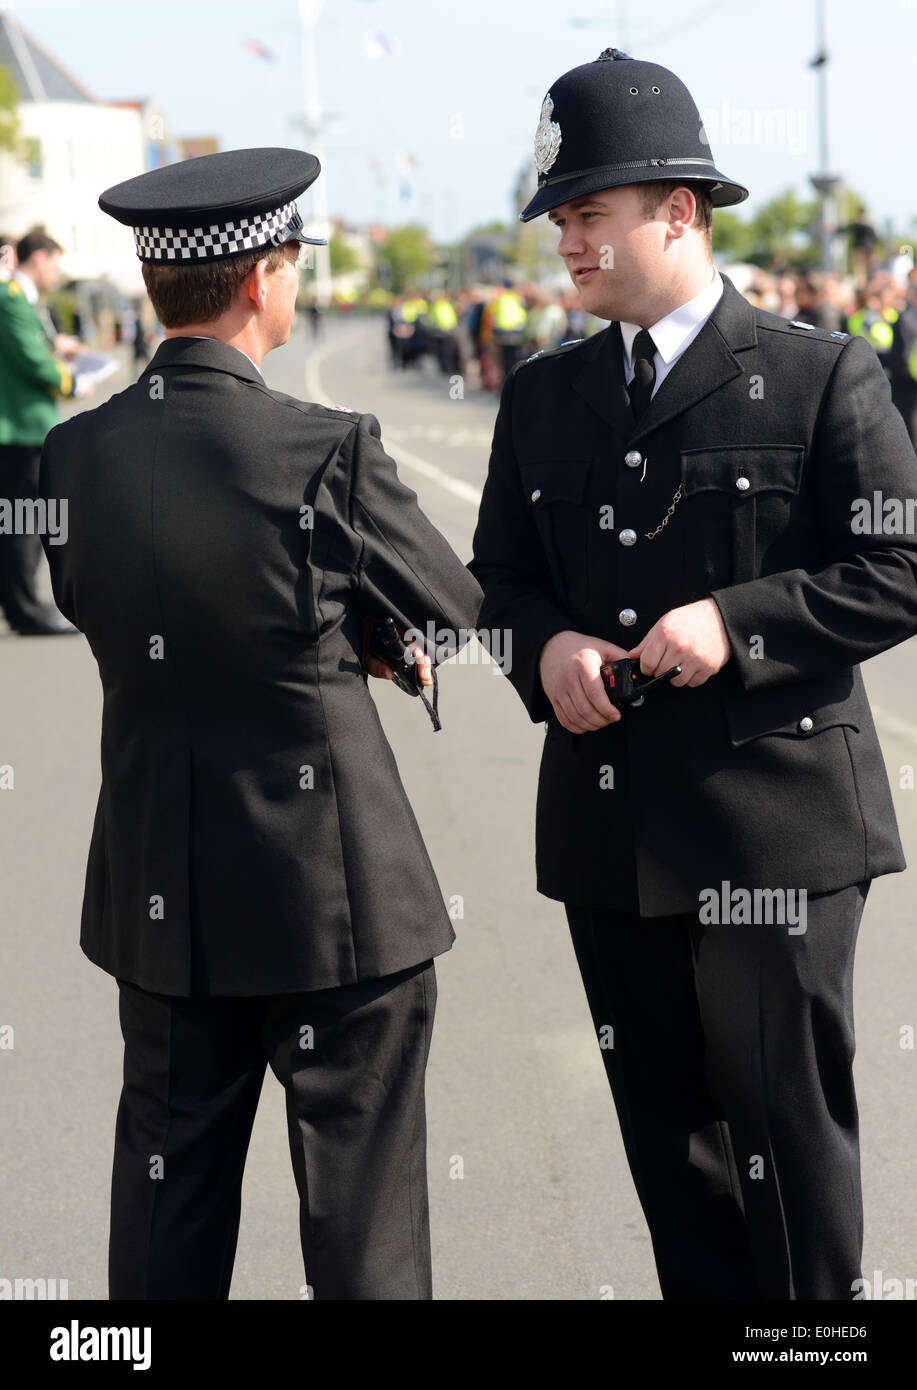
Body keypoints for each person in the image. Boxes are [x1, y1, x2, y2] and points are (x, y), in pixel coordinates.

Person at [469, 48, 917, 1300]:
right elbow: (494, 580)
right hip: (612, 840)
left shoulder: (822, 374)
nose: (567, 240)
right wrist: (542, 645)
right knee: (672, 1157)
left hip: (772, 836)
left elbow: (897, 564)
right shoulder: (545, 394)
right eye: (559, 216)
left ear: (677, 211)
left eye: (588, 213)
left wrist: (737, 623)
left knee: (783, 1145)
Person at [38, 147, 483, 1300]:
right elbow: (458, 604)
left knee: (163, 1200)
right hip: (332, 899)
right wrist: (362, 633)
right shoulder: (323, 447)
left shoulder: (71, 455)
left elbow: (115, 610)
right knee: (362, 1221)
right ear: (263, 279)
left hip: (164, 893)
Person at [0, 227, 87, 636]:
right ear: (37, 259)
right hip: (22, 430)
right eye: (53, 261)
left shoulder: (20, 300)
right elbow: (32, 362)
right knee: (24, 524)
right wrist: (70, 383)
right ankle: (27, 611)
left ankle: (23, 607)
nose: (56, 270)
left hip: (26, 429)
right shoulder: (12, 299)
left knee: (23, 522)